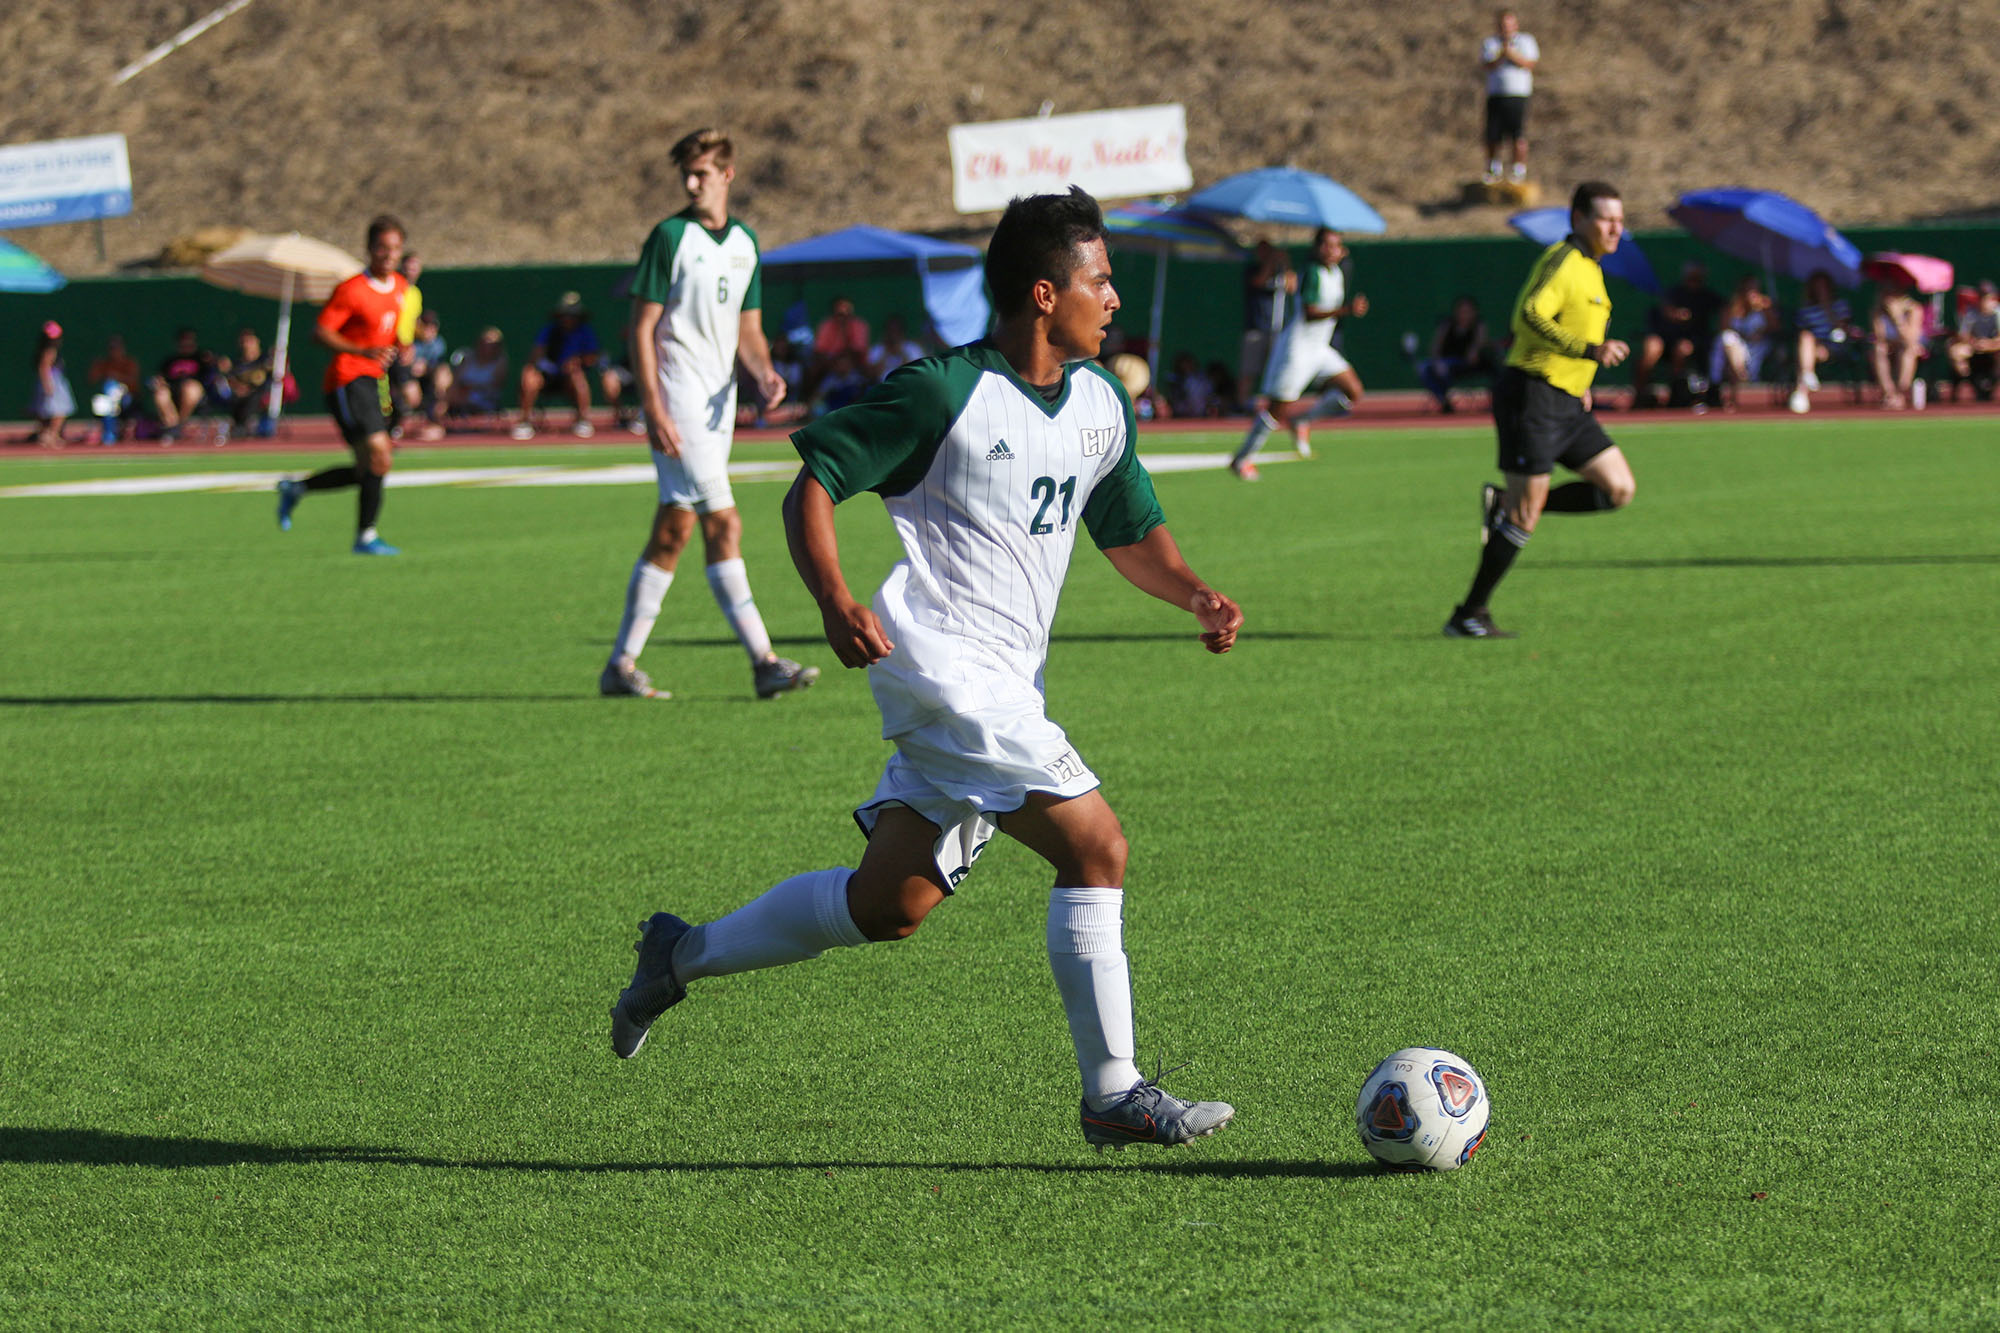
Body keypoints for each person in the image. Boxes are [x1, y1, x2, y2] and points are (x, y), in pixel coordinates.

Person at [607, 186, 1245, 1151]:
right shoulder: (944, 390)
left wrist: (1194, 592)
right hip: (945, 670)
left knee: (888, 904)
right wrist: (832, 599)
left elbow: (1131, 529)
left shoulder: (1102, 405)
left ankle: (679, 954)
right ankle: (1112, 1091)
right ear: (1043, 294)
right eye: (1099, 280)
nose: (1113, 298)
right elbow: (813, 484)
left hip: (1003, 683)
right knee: (1096, 845)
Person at [599, 127, 817, 701]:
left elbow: (749, 330)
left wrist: (764, 371)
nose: (692, 183)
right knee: (725, 521)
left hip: (718, 406)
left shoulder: (745, 241)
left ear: (728, 174)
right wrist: (652, 406)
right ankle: (764, 660)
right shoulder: (669, 236)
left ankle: (620, 666)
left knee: (674, 530)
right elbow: (641, 327)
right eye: (686, 175)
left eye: (702, 173)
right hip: (678, 399)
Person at [1444, 180, 1636, 639]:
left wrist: (1582, 380)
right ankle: (1469, 615)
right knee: (1524, 518)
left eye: (1620, 220)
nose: (1615, 228)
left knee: (1618, 490)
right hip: (1532, 396)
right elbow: (1529, 316)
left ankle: (1507, 504)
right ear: (1578, 220)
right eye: (1606, 219)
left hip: (1568, 403)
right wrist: (1588, 351)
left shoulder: (1592, 268)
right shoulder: (1563, 261)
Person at [274, 214, 412, 555]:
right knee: (379, 454)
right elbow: (319, 332)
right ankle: (365, 537)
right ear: (369, 248)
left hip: (375, 382)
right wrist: (363, 350)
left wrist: (403, 351)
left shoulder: (399, 287)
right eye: (382, 248)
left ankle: (298, 488)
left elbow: (389, 333)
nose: (389, 255)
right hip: (347, 380)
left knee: (374, 465)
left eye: (395, 249)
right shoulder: (351, 289)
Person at [1228, 227, 1367, 479]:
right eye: (1325, 244)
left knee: (1353, 391)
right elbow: (1310, 313)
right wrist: (1347, 310)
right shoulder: (1312, 272)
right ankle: (1242, 458)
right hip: (1298, 349)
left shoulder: (1336, 272)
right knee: (1276, 410)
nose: (1330, 250)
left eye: (1335, 245)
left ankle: (1303, 421)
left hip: (1320, 348)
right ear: (1316, 247)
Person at [511, 293, 605, 439]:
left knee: (578, 377)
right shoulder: (549, 330)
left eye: (572, 314)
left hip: (570, 378)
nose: (568, 318)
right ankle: (524, 422)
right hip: (548, 376)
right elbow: (536, 355)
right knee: (529, 376)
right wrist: (547, 366)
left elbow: (592, 357)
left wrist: (576, 362)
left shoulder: (585, 331)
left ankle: (582, 420)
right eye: (566, 314)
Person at [1630, 261, 1721, 409]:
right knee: (1652, 346)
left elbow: (1726, 310)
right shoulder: (1673, 293)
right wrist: (1675, 314)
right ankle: (1640, 393)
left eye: (1697, 277)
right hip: (1665, 340)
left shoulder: (1707, 296)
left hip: (1692, 344)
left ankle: (1677, 393)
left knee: (1683, 348)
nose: (1694, 280)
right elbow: (1666, 309)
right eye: (1691, 276)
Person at [1789, 270, 1861, 414]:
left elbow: (1842, 329)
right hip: (1813, 347)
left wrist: (1827, 307)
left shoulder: (1840, 305)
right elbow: (1800, 331)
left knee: (1806, 348)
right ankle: (1807, 376)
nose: (1820, 290)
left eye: (1823, 286)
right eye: (1817, 287)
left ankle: (1801, 389)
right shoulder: (1806, 310)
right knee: (1805, 337)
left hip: (1835, 346)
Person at [1480, 9, 1539, 184]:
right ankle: (1493, 168)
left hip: (1518, 94)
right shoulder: (1490, 43)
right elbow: (1487, 65)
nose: (1507, 28)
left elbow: (1529, 63)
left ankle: (1518, 170)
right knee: (1493, 135)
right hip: (1496, 95)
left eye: (1509, 24)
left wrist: (1511, 53)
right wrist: (1502, 54)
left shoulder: (1525, 41)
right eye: (1503, 25)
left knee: (1518, 135)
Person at [1238, 240, 1292, 411]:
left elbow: (1293, 285)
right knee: (1249, 370)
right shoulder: (1252, 270)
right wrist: (1271, 262)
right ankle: (1242, 404)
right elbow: (1259, 281)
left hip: (1278, 329)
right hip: (1256, 328)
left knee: (1278, 370)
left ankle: (1275, 405)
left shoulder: (1282, 272)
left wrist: (1284, 263)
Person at [1709, 273, 1776, 410]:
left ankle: (1738, 385)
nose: (1751, 294)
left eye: (1754, 290)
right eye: (1747, 290)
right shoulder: (1731, 307)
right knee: (1728, 339)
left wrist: (1761, 329)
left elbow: (1775, 327)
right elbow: (1724, 329)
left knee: (1735, 356)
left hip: (1758, 348)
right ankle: (1739, 375)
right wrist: (1743, 334)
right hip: (1732, 349)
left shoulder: (1765, 306)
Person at [1420, 295, 1496, 413]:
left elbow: (1478, 346)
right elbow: (1435, 347)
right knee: (1424, 368)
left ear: (1474, 312)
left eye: (1468, 311)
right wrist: (1438, 362)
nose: (1464, 314)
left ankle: (1495, 402)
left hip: (1469, 365)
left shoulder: (1479, 325)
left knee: (1496, 368)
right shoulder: (1447, 325)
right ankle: (1443, 400)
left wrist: (1474, 351)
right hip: (1447, 363)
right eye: (1461, 311)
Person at [147, 328, 221, 441]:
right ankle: (173, 426)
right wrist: (159, 382)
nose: (186, 344)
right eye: (183, 341)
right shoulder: (170, 361)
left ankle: (179, 424)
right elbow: (160, 378)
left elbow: (210, 377)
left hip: (194, 395)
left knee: (190, 388)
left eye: (189, 341)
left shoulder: (201, 359)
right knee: (160, 393)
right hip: (173, 393)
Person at [1870, 278, 1926, 410]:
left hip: (1909, 346)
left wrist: (1897, 318)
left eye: (1891, 291)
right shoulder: (1877, 311)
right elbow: (1880, 337)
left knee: (1907, 350)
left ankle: (1900, 393)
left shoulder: (1914, 309)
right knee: (1879, 349)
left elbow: (1910, 339)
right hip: (1889, 347)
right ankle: (1889, 394)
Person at [1943, 280, 1999, 402]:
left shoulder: (1998, 313)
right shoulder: (1970, 313)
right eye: (1982, 297)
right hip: (1974, 347)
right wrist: (1975, 343)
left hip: (1994, 348)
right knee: (1955, 351)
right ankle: (1967, 378)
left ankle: (1993, 381)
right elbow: (1962, 336)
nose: (1984, 301)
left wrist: (1989, 344)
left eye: (1988, 298)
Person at [222, 327, 281, 436]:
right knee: (235, 397)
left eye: (249, 341)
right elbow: (230, 380)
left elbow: (273, 376)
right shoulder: (237, 364)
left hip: (261, 394)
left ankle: (246, 425)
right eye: (244, 341)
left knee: (254, 397)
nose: (247, 345)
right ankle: (239, 426)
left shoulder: (266, 359)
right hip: (240, 395)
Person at [403, 310, 451, 440]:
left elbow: (434, 368)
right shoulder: (409, 341)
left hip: (428, 384)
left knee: (444, 375)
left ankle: (436, 420)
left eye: (432, 326)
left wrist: (426, 368)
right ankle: (403, 420)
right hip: (409, 382)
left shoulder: (438, 344)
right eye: (425, 325)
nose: (429, 329)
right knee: (409, 389)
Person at [87, 334, 141, 444]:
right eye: (112, 348)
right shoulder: (104, 363)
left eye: (117, 348)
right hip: (108, 402)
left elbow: (133, 382)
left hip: (126, 399)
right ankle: (109, 432)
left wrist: (117, 377)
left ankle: (111, 432)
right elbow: (91, 380)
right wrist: (96, 367)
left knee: (112, 388)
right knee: (107, 391)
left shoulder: (129, 362)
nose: (114, 351)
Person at [446, 327, 509, 419]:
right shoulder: (467, 358)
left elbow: (495, 385)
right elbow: (455, 381)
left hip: (486, 403)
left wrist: (471, 387)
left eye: (492, 344)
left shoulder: (501, 362)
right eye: (484, 342)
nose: (487, 346)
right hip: (459, 401)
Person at [29, 321, 73, 447]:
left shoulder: (46, 350)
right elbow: (44, 368)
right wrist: (48, 386)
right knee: (59, 410)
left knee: (48, 411)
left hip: (51, 381)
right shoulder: (50, 350)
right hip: (53, 382)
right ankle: (51, 435)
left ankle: (49, 435)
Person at [866, 313, 927, 381]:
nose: (893, 335)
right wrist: (886, 352)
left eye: (896, 331)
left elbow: (916, 373)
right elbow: (872, 375)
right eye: (891, 331)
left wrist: (901, 352)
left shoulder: (913, 348)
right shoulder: (878, 349)